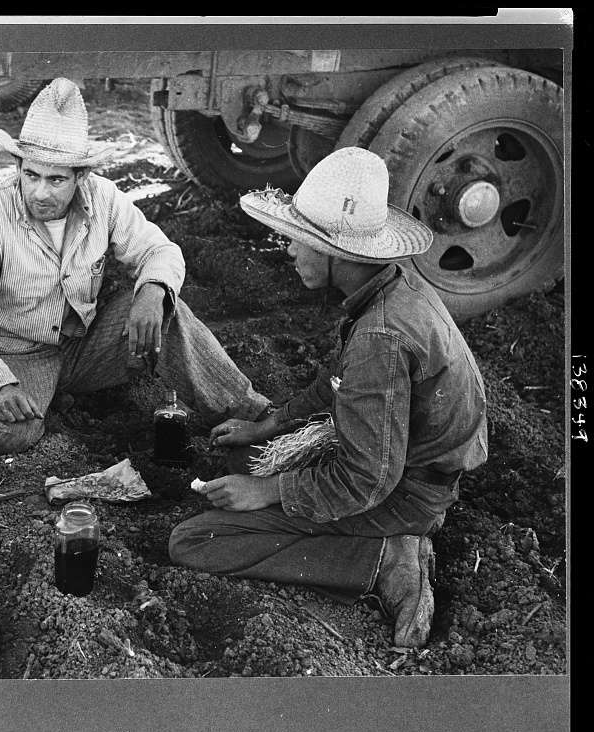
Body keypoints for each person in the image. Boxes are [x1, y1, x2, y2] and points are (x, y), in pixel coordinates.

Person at [169, 147, 489, 648]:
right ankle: (379, 540)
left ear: (338, 252)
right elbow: (337, 379)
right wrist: (270, 425)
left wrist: (269, 491)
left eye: (299, 241)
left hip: (406, 494)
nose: (289, 252)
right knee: (241, 456)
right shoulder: (390, 291)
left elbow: (367, 479)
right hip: (406, 468)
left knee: (195, 541)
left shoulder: (379, 338)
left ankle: (383, 558)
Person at [0, 77, 271, 455]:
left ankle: (257, 415)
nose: (40, 192)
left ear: (81, 176)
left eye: (56, 179)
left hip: (85, 346)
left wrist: (153, 291)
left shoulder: (103, 197)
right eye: (30, 175)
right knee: (11, 433)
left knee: (167, 310)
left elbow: (159, 250)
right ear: (18, 164)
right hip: (16, 354)